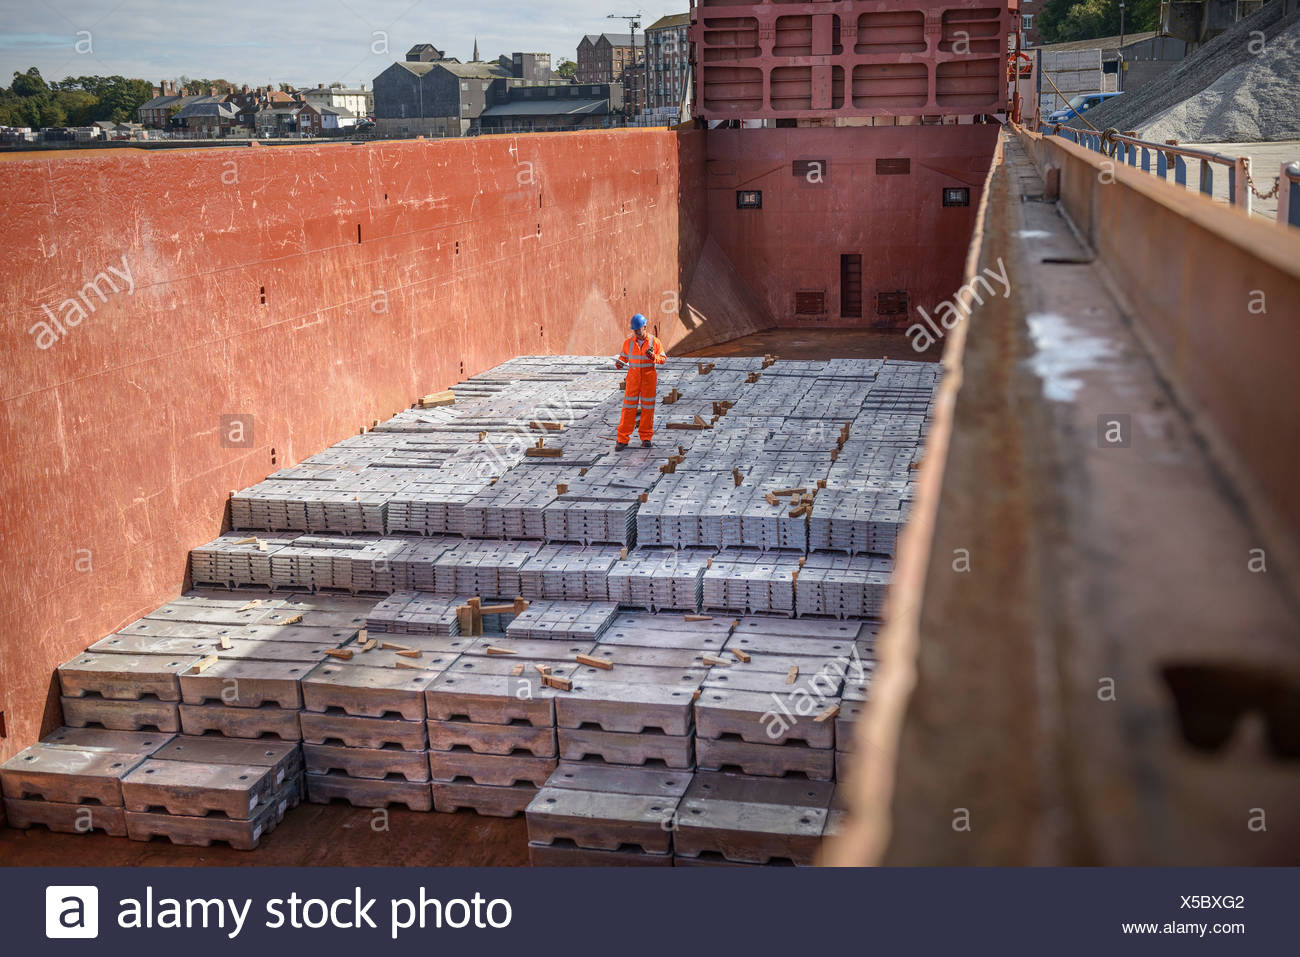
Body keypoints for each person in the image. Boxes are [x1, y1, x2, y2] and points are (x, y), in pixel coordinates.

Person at [613, 313, 666, 449]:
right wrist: (619, 364)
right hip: (633, 379)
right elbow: (623, 358)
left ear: (644, 327)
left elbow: (663, 359)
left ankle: (646, 437)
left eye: (638, 330)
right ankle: (622, 439)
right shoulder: (628, 343)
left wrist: (653, 356)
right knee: (628, 409)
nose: (636, 333)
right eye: (634, 330)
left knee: (647, 409)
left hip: (649, 379)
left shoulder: (655, 342)